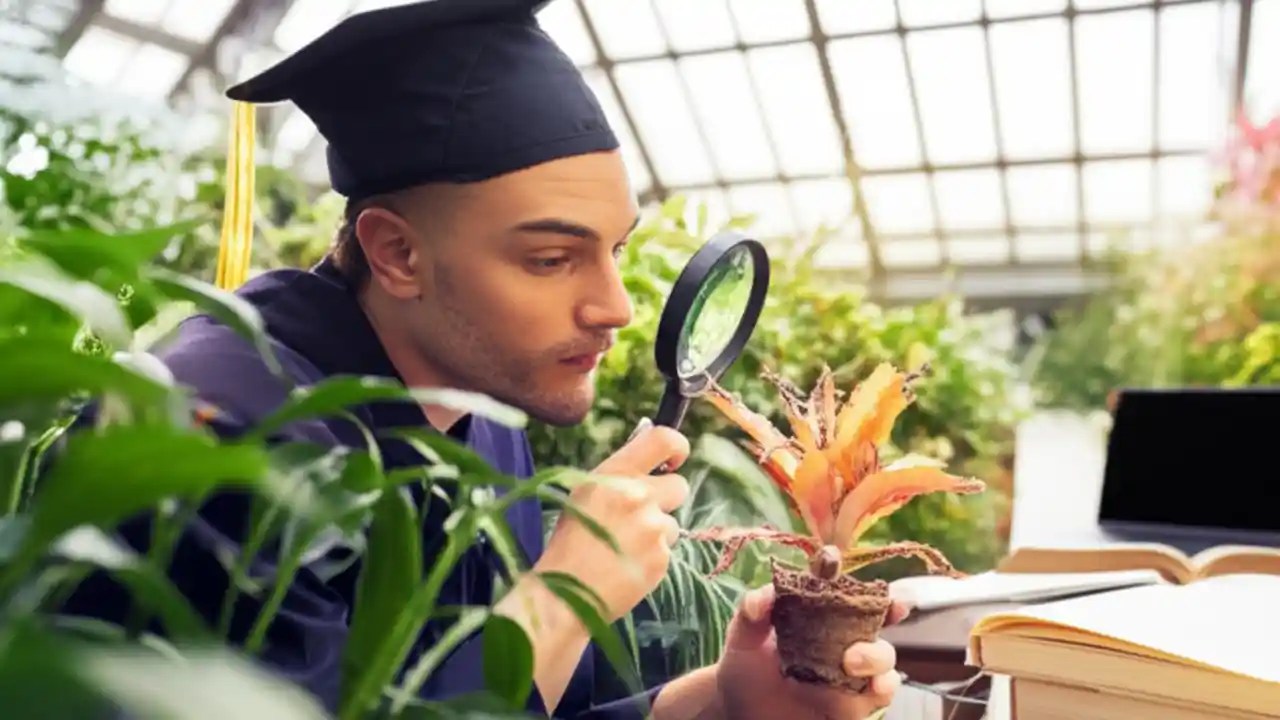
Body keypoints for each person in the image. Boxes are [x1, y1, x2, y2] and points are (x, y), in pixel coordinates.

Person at [59, 0, 908, 717]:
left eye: (616, 249)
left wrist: (725, 700)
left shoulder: (480, 415)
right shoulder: (216, 437)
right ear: (396, 254)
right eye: (549, 258)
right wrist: (556, 603)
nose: (613, 305)